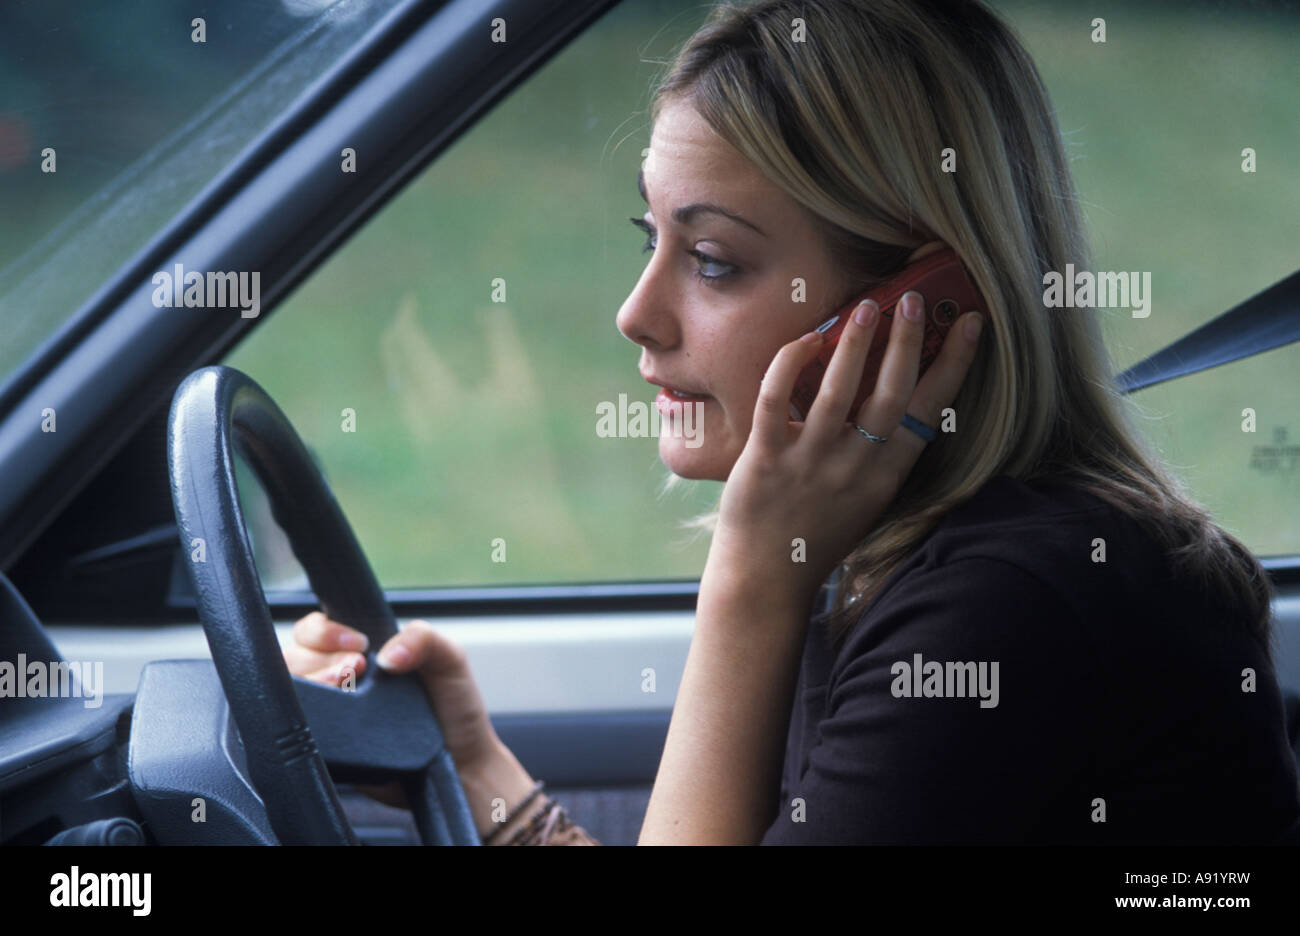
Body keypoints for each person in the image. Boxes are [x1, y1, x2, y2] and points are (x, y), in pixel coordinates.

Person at [286, 0, 1300, 844]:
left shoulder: (1013, 609)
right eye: (652, 238)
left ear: (924, 305)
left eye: (714, 259)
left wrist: (750, 576)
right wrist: (474, 767)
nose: (633, 313)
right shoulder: (902, 560)